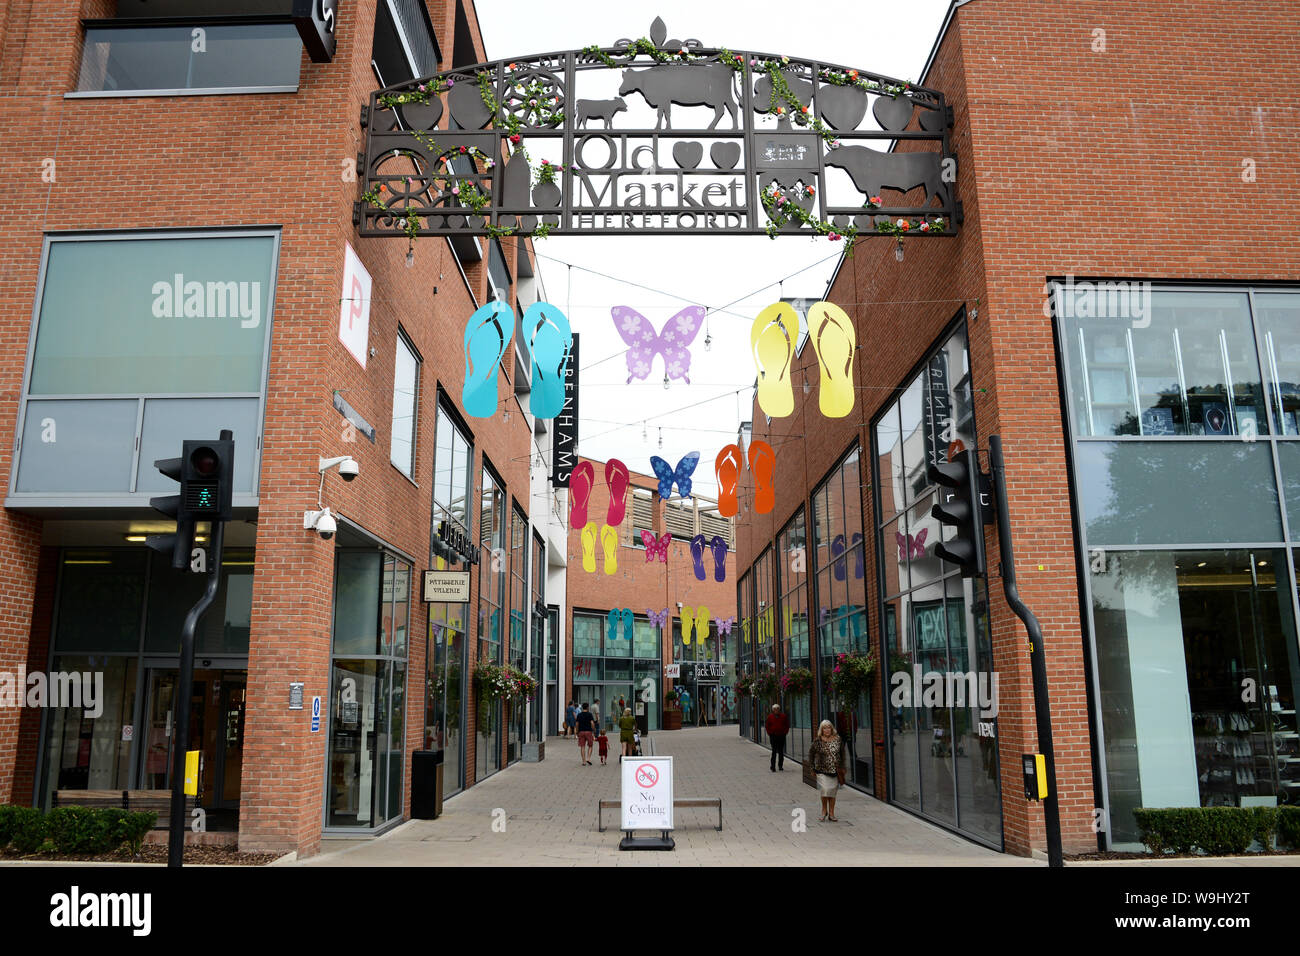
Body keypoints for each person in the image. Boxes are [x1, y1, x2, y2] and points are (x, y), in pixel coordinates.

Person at [808, 719, 847, 821]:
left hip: (835, 770)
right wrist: (811, 767)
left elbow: (842, 754)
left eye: (828, 727)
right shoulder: (817, 741)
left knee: (832, 792)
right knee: (825, 790)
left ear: (831, 728)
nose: (827, 730)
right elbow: (811, 754)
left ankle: (832, 813)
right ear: (822, 730)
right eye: (825, 728)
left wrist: (843, 767)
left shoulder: (838, 739)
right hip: (821, 770)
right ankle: (824, 810)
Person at [765, 703, 790, 772]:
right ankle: (772, 766)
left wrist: (785, 732)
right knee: (774, 751)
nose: (776, 710)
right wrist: (770, 733)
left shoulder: (783, 716)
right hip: (773, 736)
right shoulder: (770, 717)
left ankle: (780, 766)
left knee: (781, 751)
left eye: (777, 709)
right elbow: (767, 726)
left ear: (779, 710)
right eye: (775, 709)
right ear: (773, 710)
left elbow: (787, 725)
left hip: (781, 736)